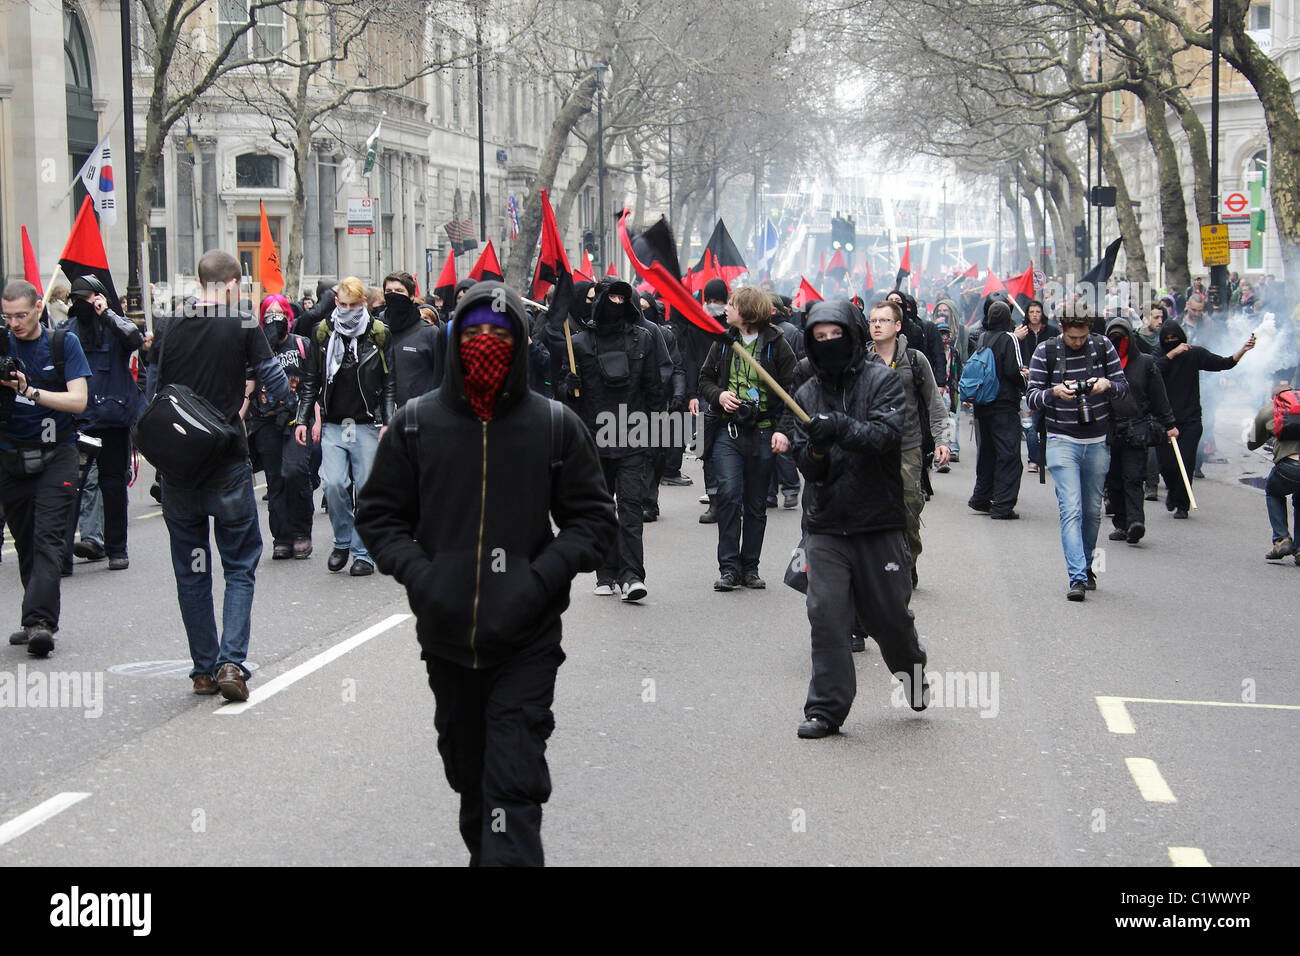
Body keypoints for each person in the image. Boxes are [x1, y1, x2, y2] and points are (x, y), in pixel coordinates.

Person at [354, 280, 616, 867]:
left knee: (514, 785)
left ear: (522, 343)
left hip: (527, 641)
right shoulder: (417, 424)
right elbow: (378, 514)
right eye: (473, 336)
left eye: (500, 336)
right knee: (473, 783)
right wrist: (422, 576)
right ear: (452, 341)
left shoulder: (554, 425)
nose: (486, 346)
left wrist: (539, 577)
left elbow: (594, 523)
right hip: (448, 643)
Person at [152, 251, 291, 698]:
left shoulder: (170, 323)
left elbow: (155, 391)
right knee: (239, 564)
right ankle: (232, 662)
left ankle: (203, 670)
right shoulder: (243, 321)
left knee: (192, 572)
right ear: (233, 284)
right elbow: (274, 378)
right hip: (228, 459)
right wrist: (286, 411)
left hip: (180, 467)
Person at [791, 299, 927, 739]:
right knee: (825, 615)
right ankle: (826, 709)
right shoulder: (806, 392)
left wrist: (840, 427)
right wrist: (814, 450)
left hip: (877, 520)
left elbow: (886, 437)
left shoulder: (882, 380)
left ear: (852, 334)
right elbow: (808, 467)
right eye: (819, 336)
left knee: (889, 618)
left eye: (836, 334)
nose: (829, 343)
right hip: (827, 523)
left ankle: (913, 673)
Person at [1, 279, 91, 656]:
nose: (15, 323)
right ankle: (32, 617)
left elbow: (79, 401)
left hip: (58, 454)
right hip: (11, 455)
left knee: (48, 539)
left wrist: (30, 391)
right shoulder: (2, 343)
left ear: (39, 307)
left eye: (22, 315)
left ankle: (41, 622)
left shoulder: (62, 343)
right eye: (8, 317)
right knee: (24, 540)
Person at [560, 278, 662, 602]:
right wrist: (569, 385)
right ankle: (605, 572)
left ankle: (632, 575)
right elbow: (564, 397)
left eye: (622, 296)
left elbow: (653, 390)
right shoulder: (577, 344)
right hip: (592, 439)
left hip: (632, 436)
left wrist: (654, 435)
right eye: (611, 296)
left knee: (631, 507)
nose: (616, 302)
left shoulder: (643, 340)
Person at [1026, 306, 1129, 600]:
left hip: (1097, 440)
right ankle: (1077, 577)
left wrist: (1107, 384)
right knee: (1071, 509)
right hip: (1061, 439)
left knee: (1092, 511)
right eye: (1072, 337)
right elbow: (1031, 397)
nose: (1077, 343)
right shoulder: (1045, 351)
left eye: (1082, 337)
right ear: (1061, 327)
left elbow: (1124, 387)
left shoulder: (1102, 345)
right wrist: (1054, 392)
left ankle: (1087, 563)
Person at [295, 275, 396, 576]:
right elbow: (311, 380)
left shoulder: (379, 333)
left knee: (365, 490)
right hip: (334, 424)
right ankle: (342, 541)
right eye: (342, 304)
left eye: (354, 304)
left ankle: (362, 552)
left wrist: (388, 421)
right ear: (336, 303)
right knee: (335, 485)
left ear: (364, 303)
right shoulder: (323, 333)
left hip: (365, 423)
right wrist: (303, 418)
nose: (348, 310)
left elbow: (390, 382)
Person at [698, 285, 795, 591]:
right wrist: (720, 395)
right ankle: (729, 568)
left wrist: (782, 430)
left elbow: (794, 392)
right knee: (727, 494)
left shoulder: (777, 345)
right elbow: (704, 379)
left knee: (756, 504)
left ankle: (750, 567)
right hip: (729, 430)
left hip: (764, 431)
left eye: (732, 304)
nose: (726, 309)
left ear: (748, 311)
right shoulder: (724, 342)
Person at [57, 274, 145, 572]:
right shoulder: (65, 332)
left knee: (113, 484)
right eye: (77, 299)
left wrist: (106, 312)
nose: (82, 304)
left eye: (87, 298)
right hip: (78, 419)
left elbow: (134, 338)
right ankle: (63, 555)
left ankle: (117, 547)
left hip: (111, 419)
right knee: (70, 488)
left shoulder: (113, 329)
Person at [866, 299, 951, 586]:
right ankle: (884, 568)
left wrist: (942, 440)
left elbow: (934, 403)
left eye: (884, 320)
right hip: (872, 448)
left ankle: (908, 560)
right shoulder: (862, 361)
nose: (877, 325)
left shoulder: (915, 360)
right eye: (873, 321)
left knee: (909, 509)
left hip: (908, 447)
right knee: (873, 511)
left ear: (898, 325)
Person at [1154, 320, 1254, 519]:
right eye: (1167, 340)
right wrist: (1172, 354)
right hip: (1164, 420)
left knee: (1186, 461)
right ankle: (1173, 491)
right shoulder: (1158, 355)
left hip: (1190, 420)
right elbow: (1152, 371)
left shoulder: (1194, 354)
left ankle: (1183, 504)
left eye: (1175, 339)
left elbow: (1224, 363)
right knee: (1166, 464)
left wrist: (1243, 349)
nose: (1172, 342)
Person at [247, 294, 315, 560]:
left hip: (297, 417)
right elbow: (249, 382)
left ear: (289, 315)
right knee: (275, 480)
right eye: (268, 312)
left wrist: (315, 418)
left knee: (295, 472)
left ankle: (301, 532)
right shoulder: (256, 347)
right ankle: (282, 536)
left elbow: (313, 383)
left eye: (279, 312)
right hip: (266, 419)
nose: (274, 317)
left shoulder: (302, 344)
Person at [1103, 316, 1176, 545]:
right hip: (1110, 429)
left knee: (1133, 478)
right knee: (1113, 480)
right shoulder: (1102, 363)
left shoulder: (1145, 363)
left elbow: (1158, 396)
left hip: (1137, 428)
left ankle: (1136, 522)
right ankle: (1121, 524)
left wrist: (1169, 423)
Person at [968, 300, 1026, 519]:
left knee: (988, 453)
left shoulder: (982, 337)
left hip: (983, 404)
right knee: (1009, 454)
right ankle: (1002, 504)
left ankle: (981, 497)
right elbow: (1013, 370)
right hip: (1004, 405)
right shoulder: (1009, 338)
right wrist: (1026, 380)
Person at [691, 278, 731, 524]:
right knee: (706, 448)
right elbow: (690, 360)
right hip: (705, 392)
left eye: (718, 301)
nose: (714, 305)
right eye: (710, 301)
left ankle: (732, 498)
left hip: (732, 394)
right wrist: (691, 395)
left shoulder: (733, 326)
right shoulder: (696, 323)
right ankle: (715, 500)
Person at [1250, 385, 1300, 563]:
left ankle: (1281, 539)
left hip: (1289, 466)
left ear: (1275, 398)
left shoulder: (1268, 410)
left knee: (1273, 491)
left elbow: (1252, 443)